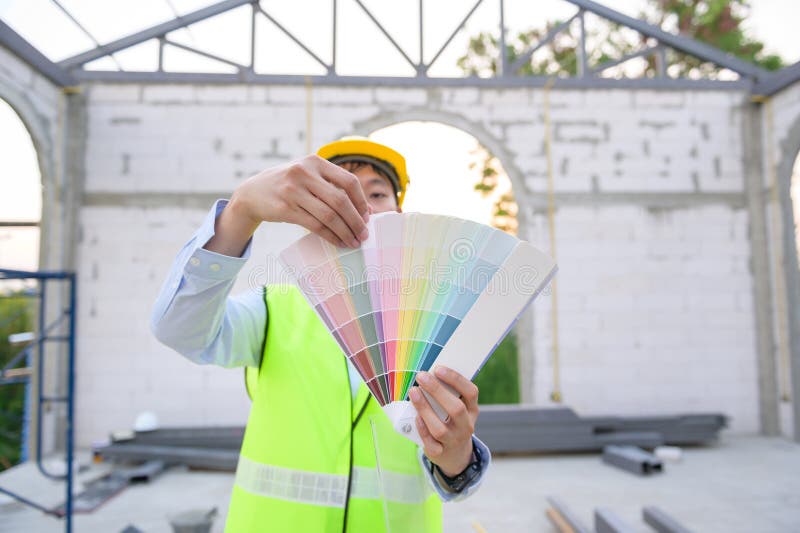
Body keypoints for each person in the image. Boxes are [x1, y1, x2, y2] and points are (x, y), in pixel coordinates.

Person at [150, 137, 491, 532]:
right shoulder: (271, 309)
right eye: (338, 193)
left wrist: (456, 459)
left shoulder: (436, 325)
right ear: (308, 214)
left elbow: (455, 475)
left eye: (376, 193)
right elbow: (177, 328)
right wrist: (241, 211)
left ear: (401, 214)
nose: (361, 207)